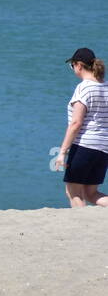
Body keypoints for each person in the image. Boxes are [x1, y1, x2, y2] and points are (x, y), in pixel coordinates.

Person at [54, 47, 108, 207]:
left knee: (73, 192)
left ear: (79, 65)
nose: (73, 69)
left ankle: (82, 225)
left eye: (72, 66)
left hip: (84, 146)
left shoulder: (83, 88)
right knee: (91, 193)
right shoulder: (106, 86)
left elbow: (76, 123)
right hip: (104, 148)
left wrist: (62, 152)